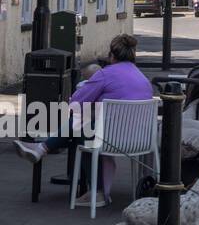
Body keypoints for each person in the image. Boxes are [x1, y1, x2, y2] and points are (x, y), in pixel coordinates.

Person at [14, 34, 152, 207]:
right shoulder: (143, 79)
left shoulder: (105, 74)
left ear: (112, 56)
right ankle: (42, 150)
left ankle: (96, 190)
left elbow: (75, 102)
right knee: (84, 125)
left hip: (110, 141)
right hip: (139, 141)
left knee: (80, 124)